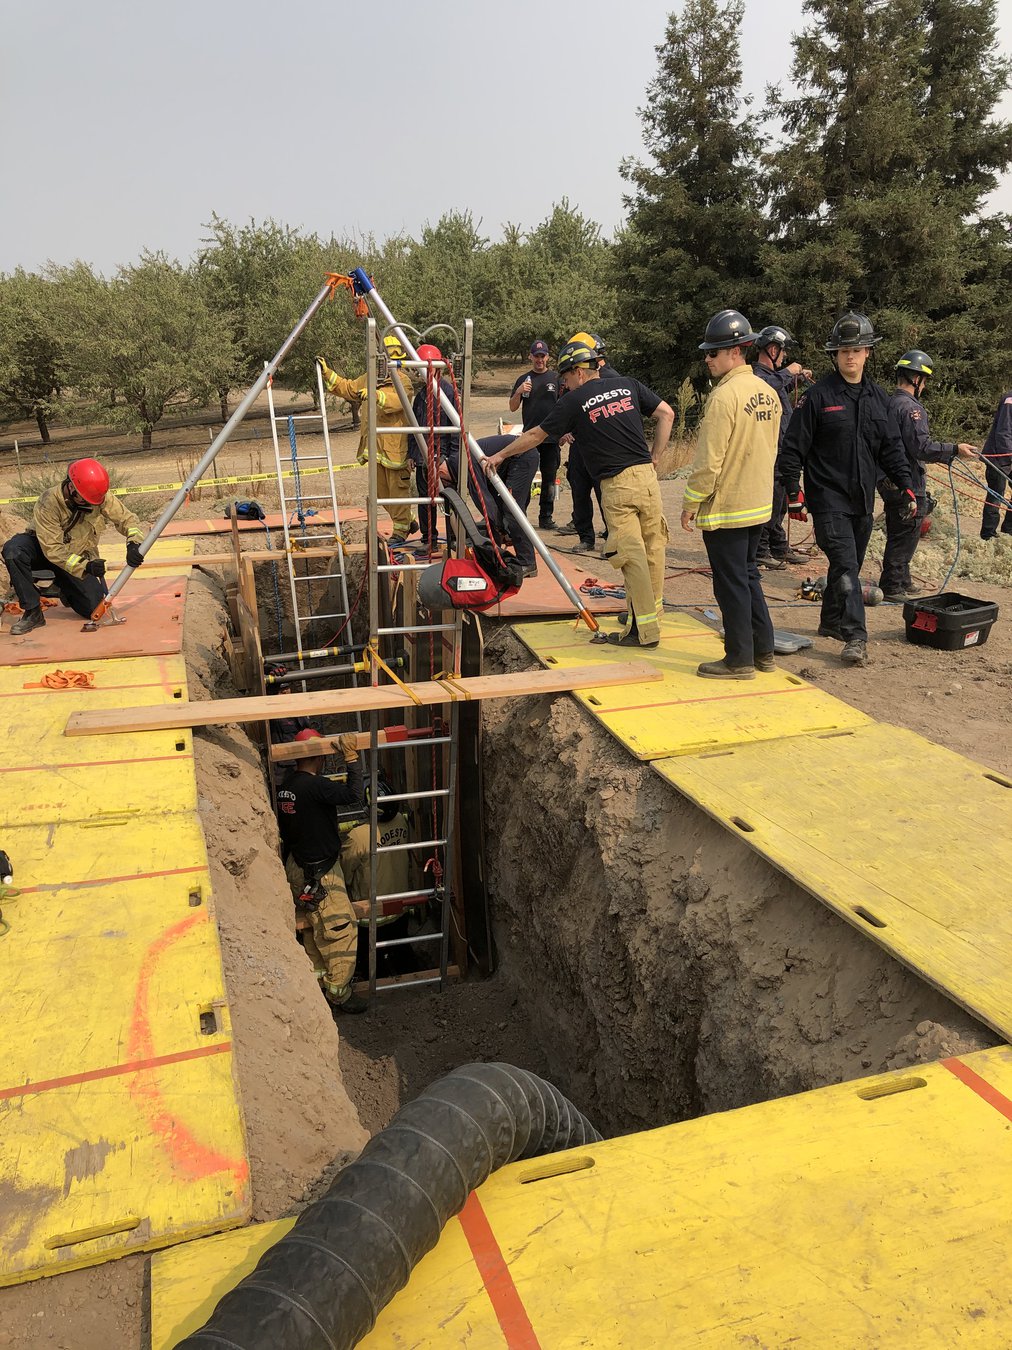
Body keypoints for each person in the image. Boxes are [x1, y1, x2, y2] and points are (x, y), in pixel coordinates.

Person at [484, 340, 673, 647]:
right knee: (654, 548)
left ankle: (643, 632)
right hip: (647, 479)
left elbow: (535, 435)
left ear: (579, 372)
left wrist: (500, 455)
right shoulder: (628, 385)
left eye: (566, 377)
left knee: (631, 556)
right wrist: (655, 458)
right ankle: (651, 616)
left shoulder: (575, 400)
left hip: (617, 484)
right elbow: (667, 414)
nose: (565, 384)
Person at [779, 312, 916, 666]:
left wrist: (907, 486)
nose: (850, 356)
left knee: (846, 566)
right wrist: (793, 491)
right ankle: (856, 635)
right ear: (835, 355)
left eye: (856, 350)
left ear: (868, 352)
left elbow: (892, 448)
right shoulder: (817, 397)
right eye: (843, 351)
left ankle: (830, 621)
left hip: (862, 501)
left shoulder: (878, 398)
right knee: (846, 565)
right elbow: (792, 448)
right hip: (827, 499)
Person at [681, 310, 781, 680]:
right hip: (758, 504)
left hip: (728, 507)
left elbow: (709, 462)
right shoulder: (768, 392)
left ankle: (739, 659)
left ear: (736, 351)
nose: (707, 359)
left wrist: (691, 502)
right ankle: (764, 650)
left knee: (730, 584)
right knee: (749, 576)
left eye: (713, 352)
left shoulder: (724, 397)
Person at [276, 728, 367, 1014]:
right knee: (340, 930)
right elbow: (355, 795)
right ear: (319, 757)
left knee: (314, 929)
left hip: (297, 868)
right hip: (321, 874)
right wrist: (352, 758)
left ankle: (317, 988)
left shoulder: (286, 787)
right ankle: (339, 993)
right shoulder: (316, 786)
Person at [2, 458, 146, 635]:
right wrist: (86, 566)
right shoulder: (49, 501)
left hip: (74, 557)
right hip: (43, 549)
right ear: (71, 487)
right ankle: (32, 612)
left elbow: (128, 520)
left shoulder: (97, 495)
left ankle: (62, 588)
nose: (91, 505)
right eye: (86, 501)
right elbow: (52, 549)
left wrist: (133, 543)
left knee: (93, 607)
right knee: (14, 551)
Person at [880, 351, 978, 599]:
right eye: (923, 381)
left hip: (889, 479)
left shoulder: (888, 403)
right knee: (907, 531)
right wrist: (954, 449)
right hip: (908, 479)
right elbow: (921, 447)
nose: (923, 386)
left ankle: (903, 578)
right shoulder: (911, 408)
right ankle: (892, 585)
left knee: (899, 527)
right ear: (916, 379)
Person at [318, 336, 416, 542]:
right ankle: (408, 520)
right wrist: (327, 373)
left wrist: (375, 395)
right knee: (381, 494)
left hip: (395, 450)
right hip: (375, 449)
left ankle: (401, 531)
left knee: (398, 492)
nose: (385, 363)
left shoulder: (403, 382)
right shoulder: (369, 378)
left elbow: (396, 402)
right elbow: (348, 388)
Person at [752, 325, 812, 568]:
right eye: (783, 351)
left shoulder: (774, 378)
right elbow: (767, 386)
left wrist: (797, 378)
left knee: (782, 503)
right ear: (773, 349)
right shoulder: (757, 376)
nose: (785, 356)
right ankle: (761, 550)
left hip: (783, 451)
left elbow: (778, 387)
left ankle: (778, 546)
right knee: (772, 502)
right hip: (770, 453)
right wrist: (788, 372)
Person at [557, 331, 611, 552]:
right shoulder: (573, 379)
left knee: (605, 494)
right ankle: (586, 537)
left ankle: (612, 539)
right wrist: (565, 431)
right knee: (579, 491)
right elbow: (564, 407)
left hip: (601, 447)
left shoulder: (611, 378)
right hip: (579, 446)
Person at [409, 344, 459, 552]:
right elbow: (413, 426)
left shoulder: (449, 393)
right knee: (425, 500)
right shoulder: (421, 395)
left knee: (449, 500)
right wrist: (412, 454)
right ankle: (429, 539)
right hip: (423, 456)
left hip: (443, 456)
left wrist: (450, 459)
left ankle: (454, 540)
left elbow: (456, 428)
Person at [508, 341, 560, 529]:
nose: (539, 359)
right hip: (529, 437)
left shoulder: (556, 378)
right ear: (530, 356)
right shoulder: (524, 379)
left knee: (549, 479)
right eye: (536, 356)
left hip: (551, 437)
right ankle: (520, 517)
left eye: (542, 356)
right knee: (525, 477)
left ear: (547, 357)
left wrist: (564, 431)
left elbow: (564, 407)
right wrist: (519, 392)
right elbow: (513, 407)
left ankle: (546, 517)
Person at [979, 388, 1012, 540]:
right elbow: (1004, 432)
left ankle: (1009, 531)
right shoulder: (1009, 401)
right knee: (996, 495)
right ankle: (988, 535)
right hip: (998, 456)